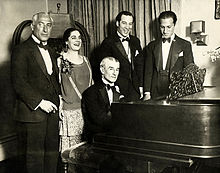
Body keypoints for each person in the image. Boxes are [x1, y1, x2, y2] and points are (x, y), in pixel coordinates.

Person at [11, 12, 61, 173]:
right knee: (34, 161)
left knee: (52, 156)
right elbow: (18, 82)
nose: (45, 29)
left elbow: (53, 80)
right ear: (33, 26)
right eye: (41, 24)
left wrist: (58, 101)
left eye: (49, 25)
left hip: (52, 112)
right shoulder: (21, 50)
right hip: (32, 113)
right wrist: (40, 103)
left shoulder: (52, 51)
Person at [143, 10, 194, 100]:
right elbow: (148, 70)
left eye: (169, 27)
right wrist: (147, 92)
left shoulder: (185, 45)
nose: (165, 31)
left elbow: (189, 71)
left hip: (176, 91)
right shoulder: (152, 45)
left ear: (174, 25)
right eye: (162, 27)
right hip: (155, 91)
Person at [58, 27, 93, 153]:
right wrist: (60, 106)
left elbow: (91, 84)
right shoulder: (60, 60)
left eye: (79, 37)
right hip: (70, 112)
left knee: (86, 151)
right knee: (71, 153)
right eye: (73, 37)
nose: (77, 40)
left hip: (87, 111)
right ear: (66, 41)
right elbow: (56, 86)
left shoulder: (86, 60)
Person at [99, 11, 143, 101]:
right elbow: (104, 69)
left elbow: (140, 65)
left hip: (135, 90)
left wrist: (141, 86)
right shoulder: (108, 42)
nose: (127, 27)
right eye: (124, 23)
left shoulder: (135, 41)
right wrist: (114, 89)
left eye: (130, 24)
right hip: (117, 90)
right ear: (117, 23)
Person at [82, 57, 123, 143]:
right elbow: (99, 119)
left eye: (117, 69)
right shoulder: (90, 92)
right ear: (102, 70)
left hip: (116, 136)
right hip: (97, 139)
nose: (115, 73)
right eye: (111, 69)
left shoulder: (120, 91)